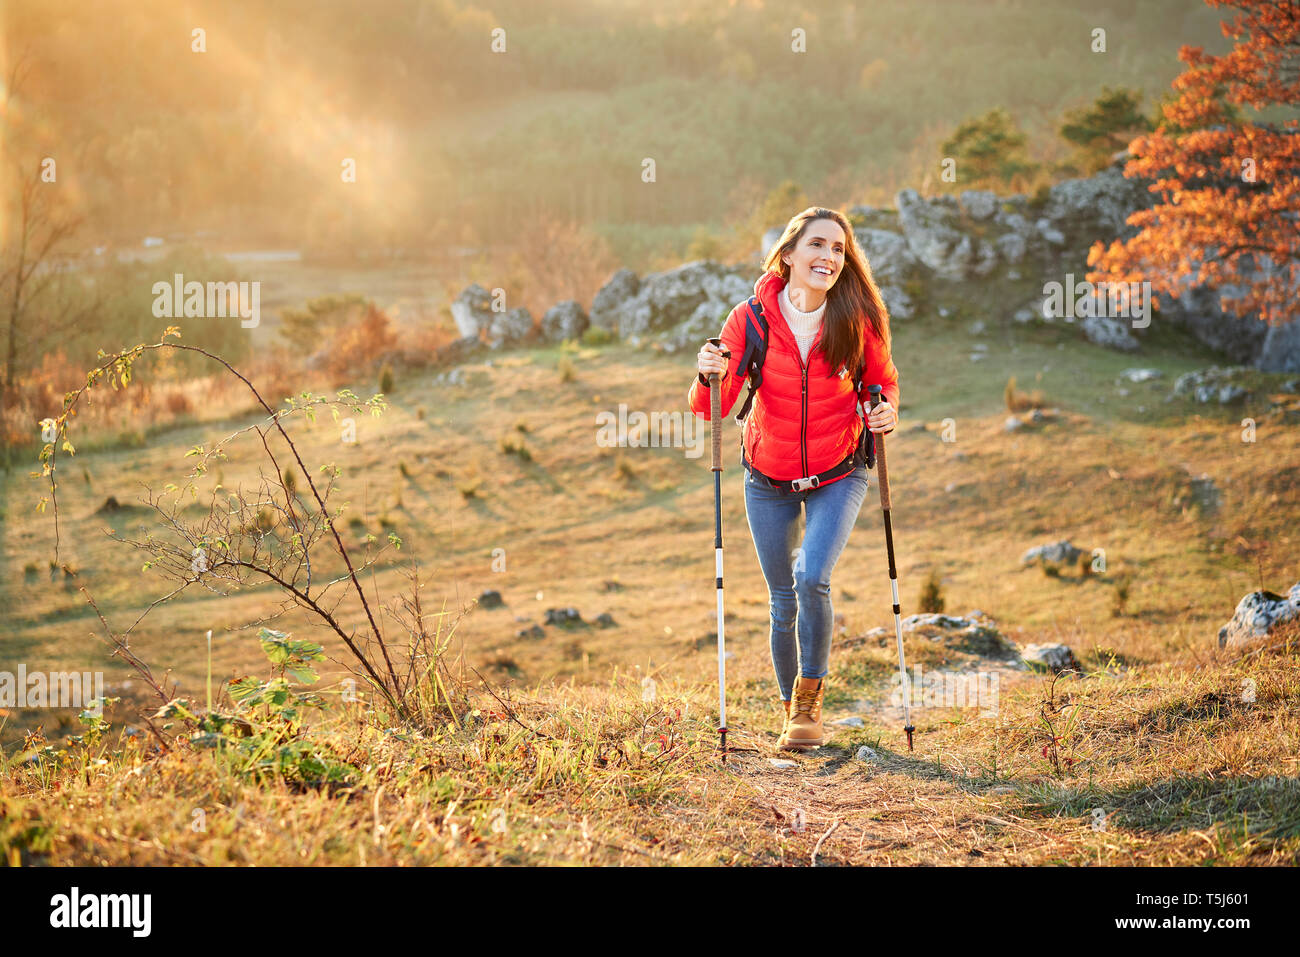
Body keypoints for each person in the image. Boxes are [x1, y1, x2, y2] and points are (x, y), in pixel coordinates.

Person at [687, 206, 899, 751]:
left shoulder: (857, 319)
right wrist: (707, 374)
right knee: (782, 599)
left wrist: (886, 413)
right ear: (788, 254)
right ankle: (791, 713)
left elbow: (884, 385)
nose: (829, 257)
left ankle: (810, 704)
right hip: (767, 477)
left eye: (838, 249)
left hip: (839, 470)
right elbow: (713, 408)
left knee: (812, 579)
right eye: (817, 245)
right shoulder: (751, 319)